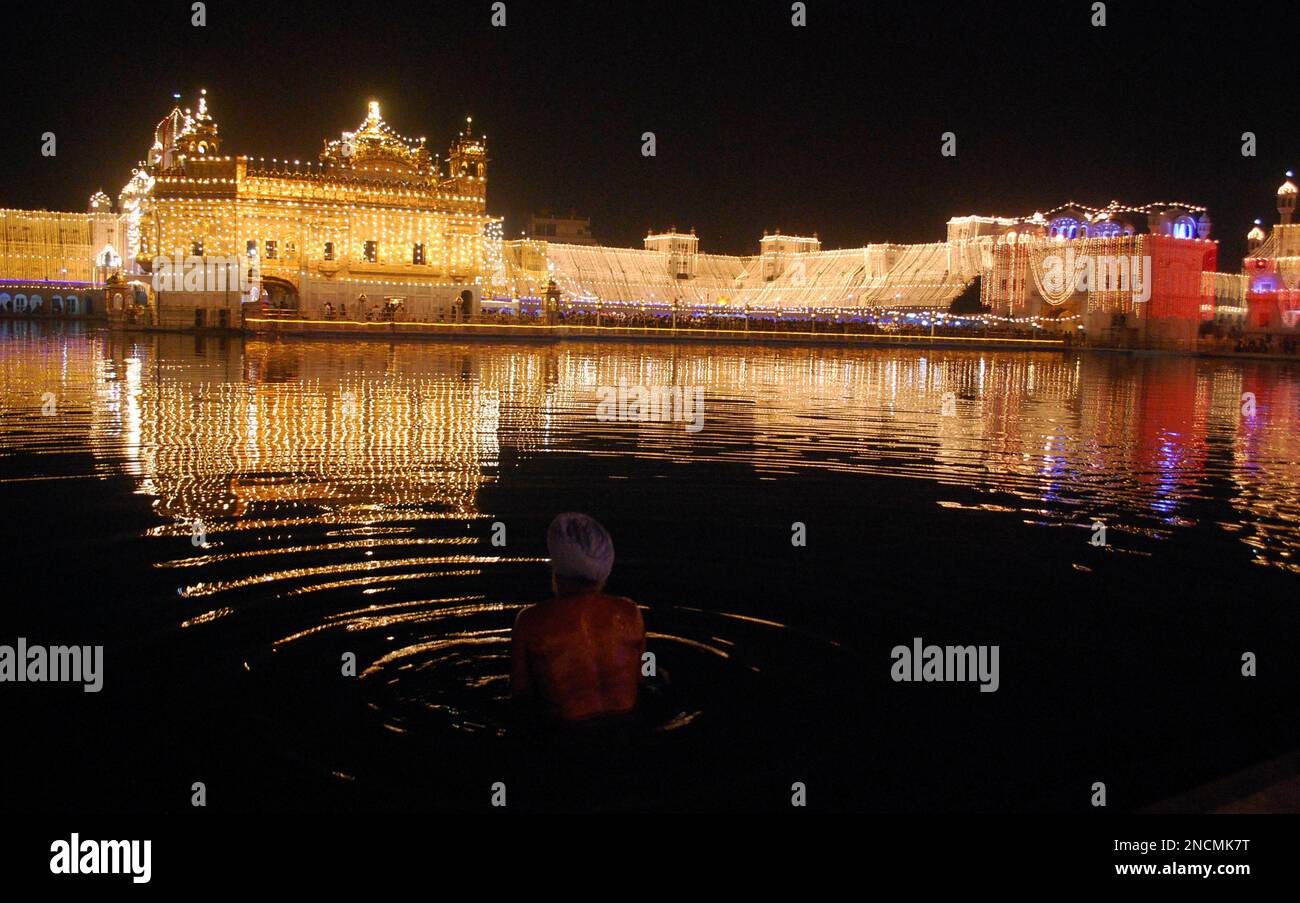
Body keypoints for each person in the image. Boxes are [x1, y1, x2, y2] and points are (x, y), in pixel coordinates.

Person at [511, 513, 645, 722]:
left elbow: (520, 694)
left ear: (557, 567)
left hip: (565, 735)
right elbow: (643, 676)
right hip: (626, 726)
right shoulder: (629, 612)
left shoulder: (530, 621)